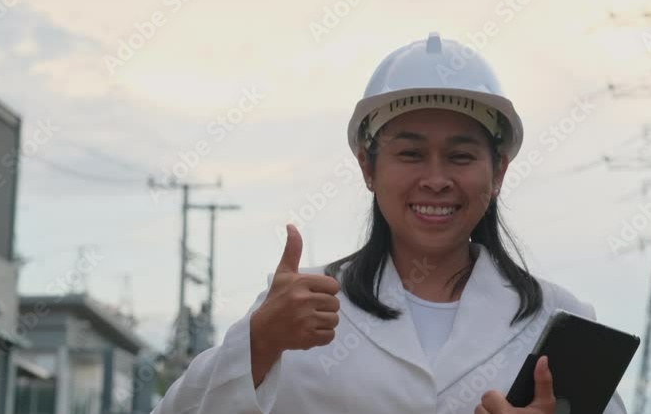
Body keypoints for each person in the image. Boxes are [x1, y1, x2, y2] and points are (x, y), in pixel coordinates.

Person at [151, 33, 626, 414]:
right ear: (367, 168)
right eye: (411, 154)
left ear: (498, 171)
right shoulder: (300, 306)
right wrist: (258, 344)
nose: (436, 180)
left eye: (460, 156)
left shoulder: (561, 324)